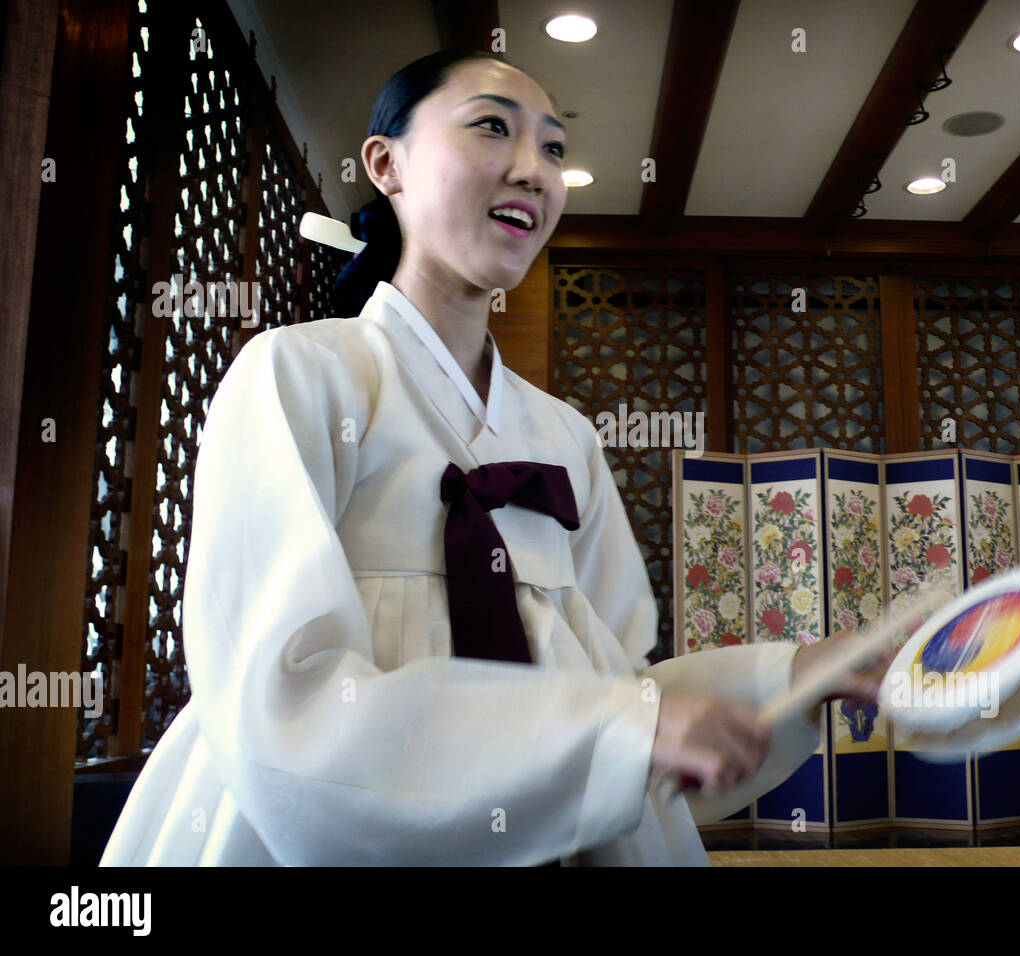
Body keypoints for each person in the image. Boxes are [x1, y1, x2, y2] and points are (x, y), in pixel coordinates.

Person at [100, 49, 884, 867]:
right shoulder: (296, 374)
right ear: (386, 162)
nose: (533, 170)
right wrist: (612, 732)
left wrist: (792, 674)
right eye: (491, 127)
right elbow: (285, 697)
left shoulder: (567, 437)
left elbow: (618, 692)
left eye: (552, 148)